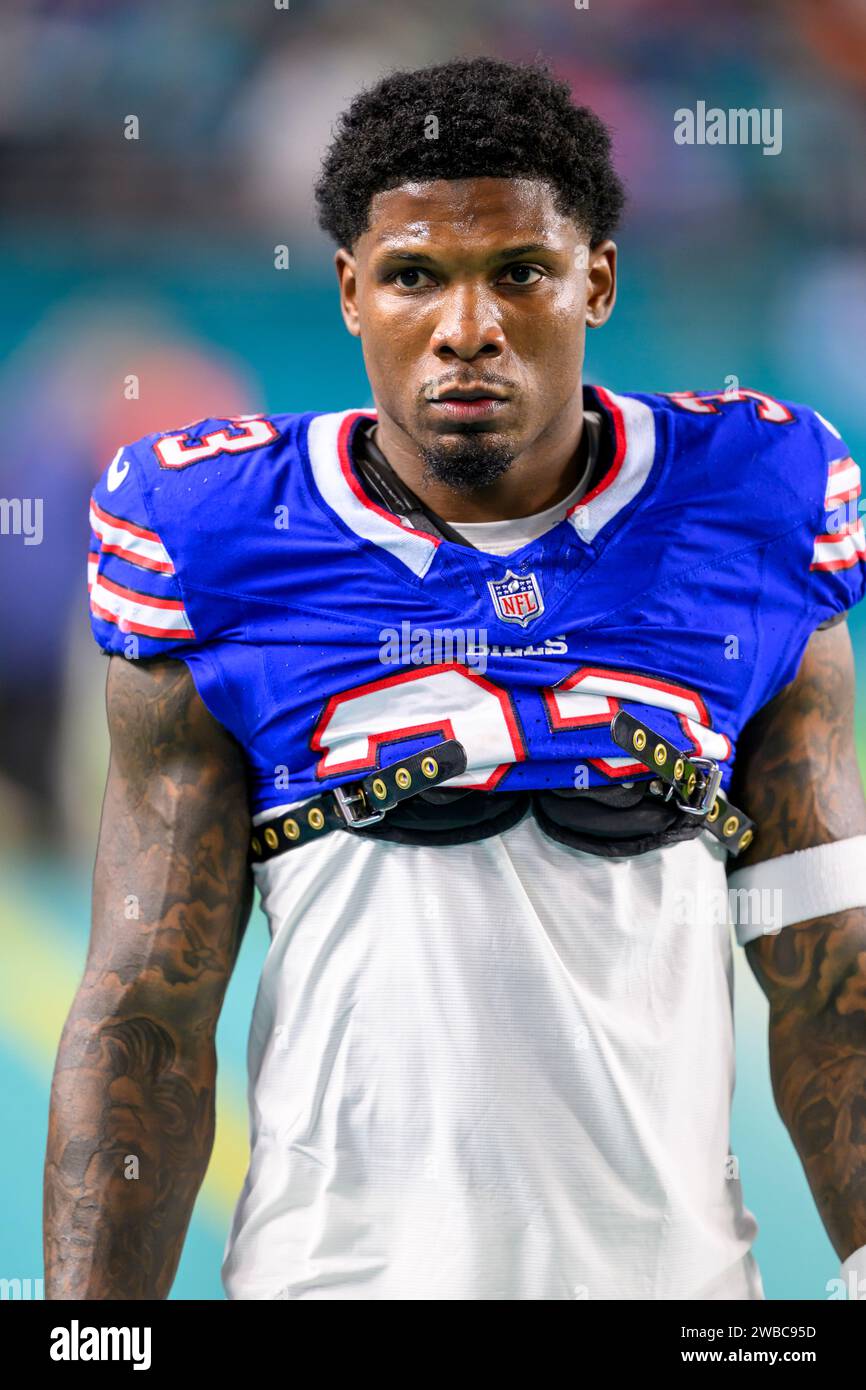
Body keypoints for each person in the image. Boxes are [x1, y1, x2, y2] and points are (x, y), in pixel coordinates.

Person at [44, 56, 866, 1301]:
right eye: (415, 275)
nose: (465, 328)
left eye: (518, 273)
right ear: (349, 293)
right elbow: (147, 1016)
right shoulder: (217, 532)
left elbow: (830, 968)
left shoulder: (745, 501)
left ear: (594, 279)